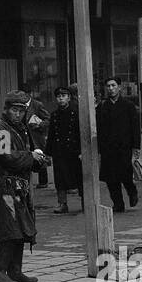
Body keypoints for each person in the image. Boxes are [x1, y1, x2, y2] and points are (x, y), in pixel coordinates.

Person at [0, 91, 44, 282]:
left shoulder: (21, 129)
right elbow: (6, 156)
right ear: (6, 109)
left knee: (22, 229)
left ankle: (15, 270)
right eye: (14, 110)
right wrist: (30, 156)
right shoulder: (0, 129)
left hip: (20, 187)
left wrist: (39, 160)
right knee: (10, 229)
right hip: (5, 187)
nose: (18, 114)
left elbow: (26, 156)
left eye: (21, 110)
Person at [96, 77, 141, 213]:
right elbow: (98, 128)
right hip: (108, 149)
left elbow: (135, 128)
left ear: (119, 87)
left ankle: (132, 192)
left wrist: (136, 147)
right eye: (108, 86)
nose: (111, 88)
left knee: (125, 175)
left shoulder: (128, 106)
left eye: (113, 85)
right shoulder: (102, 107)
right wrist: (99, 147)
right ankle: (118, 203)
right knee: (111, 179)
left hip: (124, 147)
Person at [48, 85, 82, 214]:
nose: (61, 99)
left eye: (63, 96)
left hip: (74, 150)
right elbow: (51, 134)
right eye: (58, 96)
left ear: (68, 98)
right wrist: (48, 152)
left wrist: (81, 150)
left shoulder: (76, 112)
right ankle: (62, 203)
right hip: (59, 151)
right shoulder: (55, 115)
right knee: (60, 178)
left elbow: (80, 133)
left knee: (79, 176)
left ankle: (86, 202)